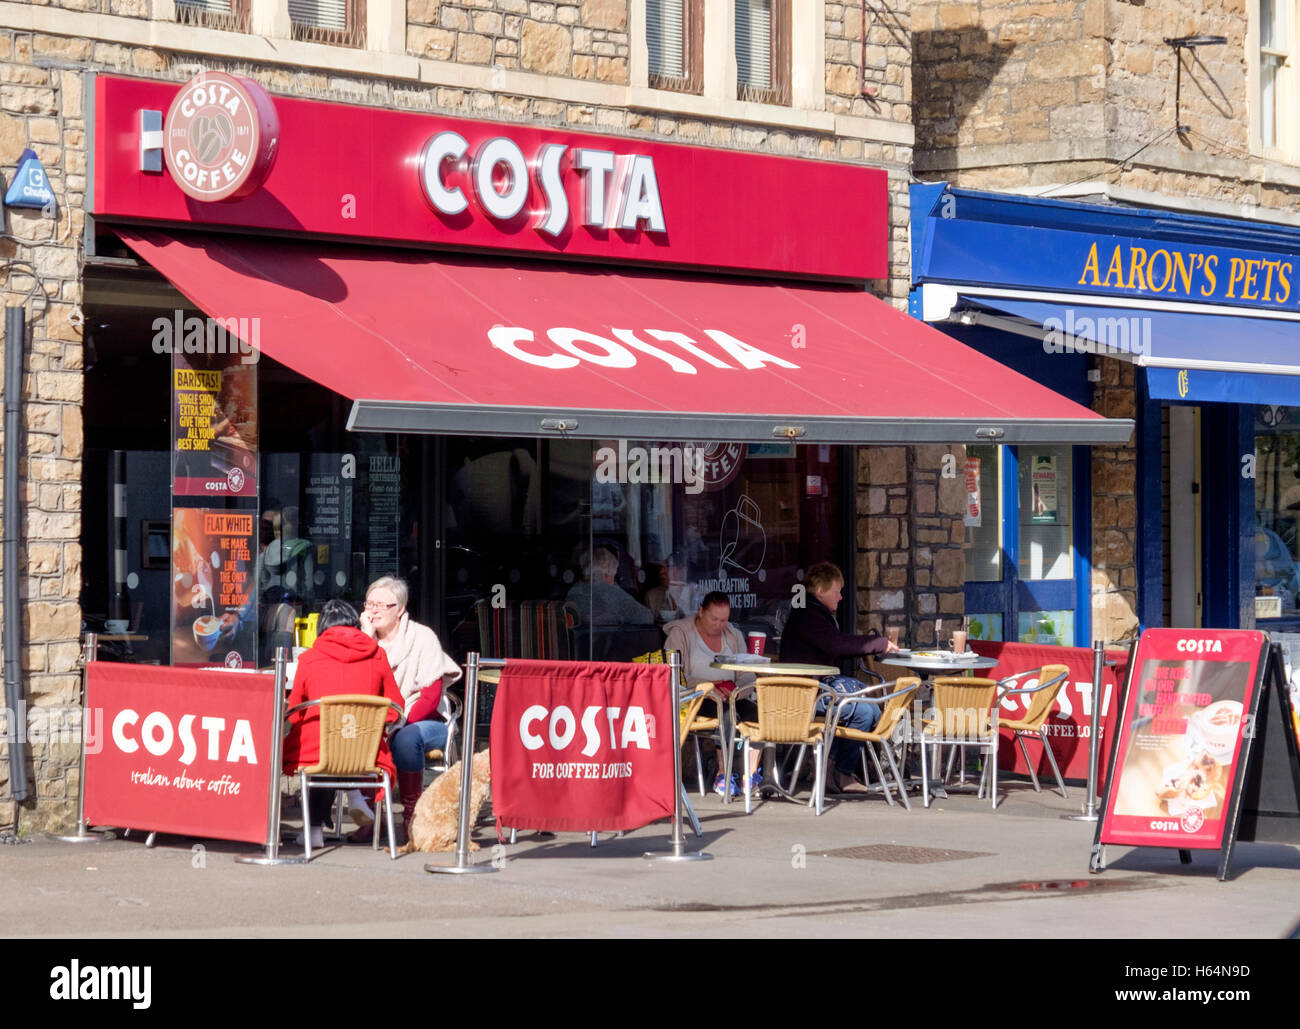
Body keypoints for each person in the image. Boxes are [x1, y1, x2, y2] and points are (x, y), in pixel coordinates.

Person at [281, 599, 403, 849]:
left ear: (322, 627)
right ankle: (354, 792)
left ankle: (314, 830)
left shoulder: (309, 658)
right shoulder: (377, 654)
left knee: (321, 748)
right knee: (343, 744)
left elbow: (294, 712)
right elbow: (395, 707)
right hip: (365, 751)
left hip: (317, 750)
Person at [780, 561, 900, 794]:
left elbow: (835, 642)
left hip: (815, 691)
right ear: (821, 591)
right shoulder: (808, 615)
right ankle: (836, 771)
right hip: (803, 695)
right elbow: (836, 644)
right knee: (866, 710)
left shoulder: (814, 612)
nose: (841, 597)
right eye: (837, 591)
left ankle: (834, 769)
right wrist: (879, 643)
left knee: (870, 709)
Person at [360, 575, 462, 843]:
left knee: (405, 739)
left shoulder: (422, 637)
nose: (375, 610)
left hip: (426, 722)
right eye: (370, 604)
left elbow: (430, 697)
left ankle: (411, 815)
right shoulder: (361, 641)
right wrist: (366, 643)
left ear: (401, 609)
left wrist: (397, 725)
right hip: (380, 721)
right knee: (356, 733)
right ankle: (371, 817)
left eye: (383, 605)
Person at [664, 591, 762, 797]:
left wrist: (737, 691)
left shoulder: (733, 635)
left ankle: (750, 775)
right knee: (726, 713)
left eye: (724, 620)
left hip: (731, 695)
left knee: (759, 714)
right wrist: (708, 686)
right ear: (701, 612)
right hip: (695, 697)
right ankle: (723, 773)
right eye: (714, 618)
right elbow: (674, 674)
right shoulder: (681, 633)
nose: (719, 624)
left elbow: (746, 673)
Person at [565, 547, 654, 627]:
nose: (613, 581)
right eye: (613, 575)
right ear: (607, 574)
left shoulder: (573, 591)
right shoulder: (610, 592)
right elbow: (646, 617)